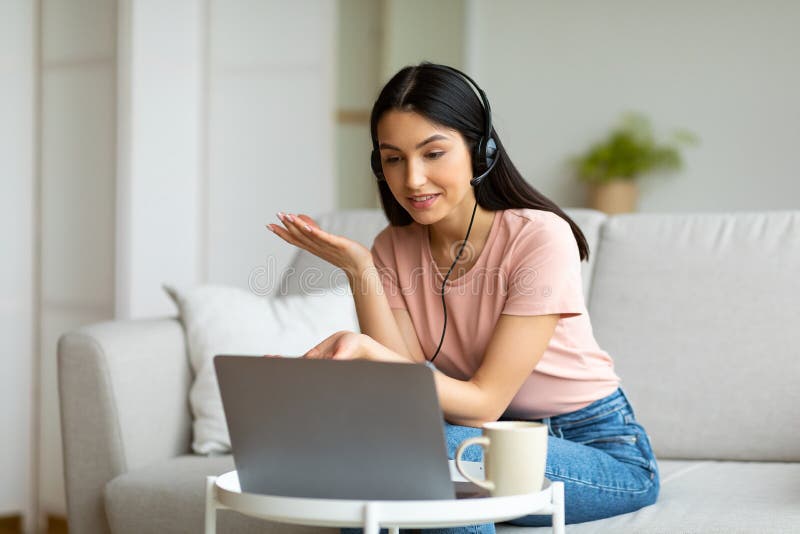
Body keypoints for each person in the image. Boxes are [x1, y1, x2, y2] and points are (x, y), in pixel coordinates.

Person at [266, 62, 660, 533]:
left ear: (481, 151)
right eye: (393, 159)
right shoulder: (391, 247)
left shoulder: (539, 238)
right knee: (389, 452)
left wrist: (367, 351)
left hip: (594, 448)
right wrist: (360, 270)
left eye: (433, 153)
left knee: (419, 451)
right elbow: (408, 390)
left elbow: (483, 404)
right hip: (470, 438)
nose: (412, 179)